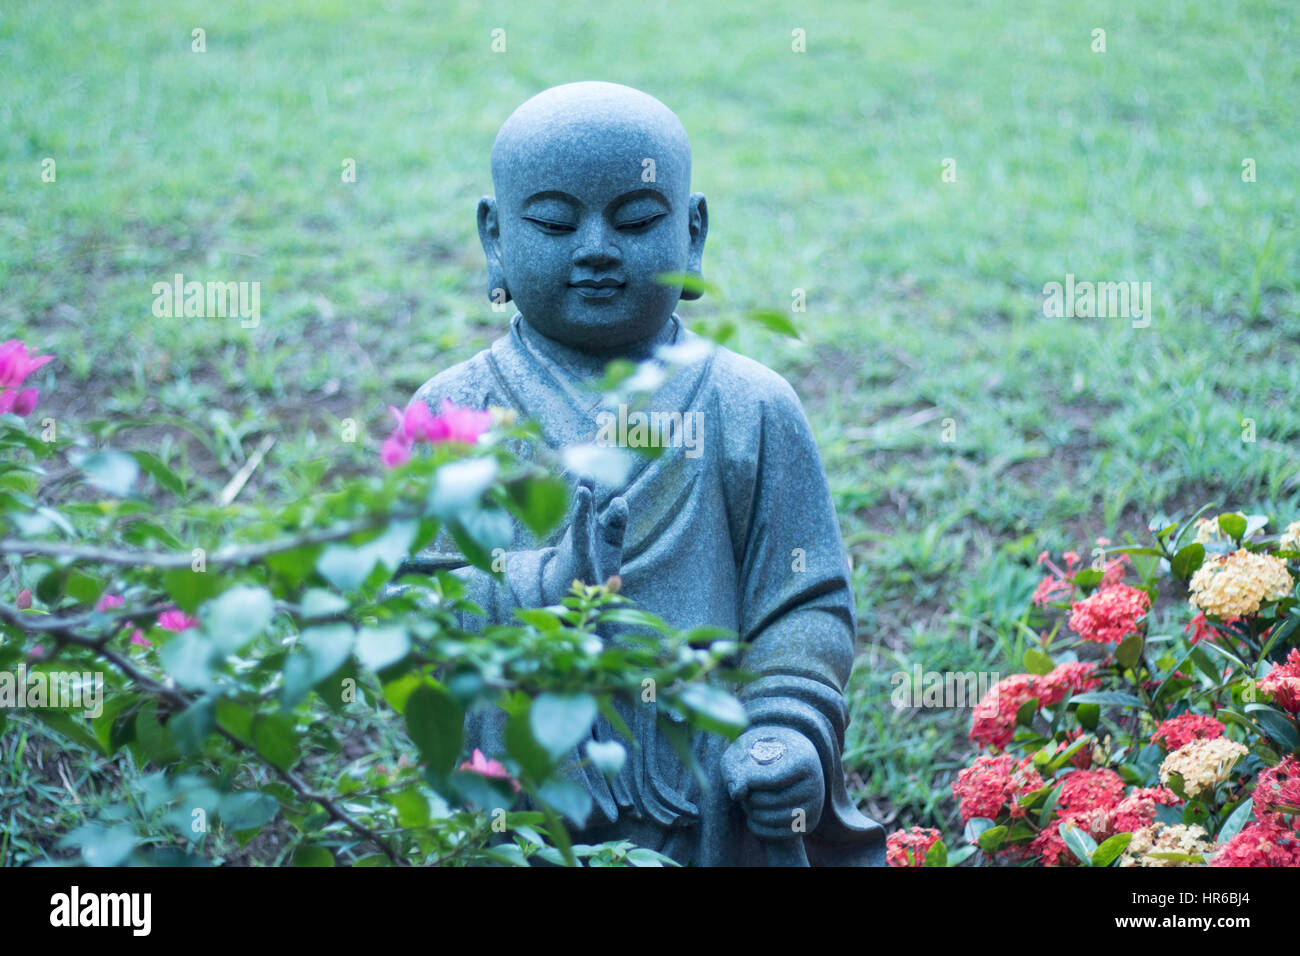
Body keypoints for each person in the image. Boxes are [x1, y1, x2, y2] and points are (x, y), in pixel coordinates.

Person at [408, 81, 884, 865]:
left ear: (692, 233)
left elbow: (804, 602)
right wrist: (537, 585)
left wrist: (782, 726)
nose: (597, 248)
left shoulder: (750, 406)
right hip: (521, 802)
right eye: (555, 223)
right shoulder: (456, 411)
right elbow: (409, 612)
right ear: (494, 237)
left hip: (710, 806)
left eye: (636, 221)